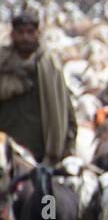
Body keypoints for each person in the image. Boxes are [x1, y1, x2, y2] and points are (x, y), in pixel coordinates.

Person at [0, 9, 76, 164]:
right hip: (4, 148)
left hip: (40, 149)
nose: (25, 37)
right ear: (12, 34)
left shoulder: (49, 66)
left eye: (30, 32)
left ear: (37, 34)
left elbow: (64, 105)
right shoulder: (3, 63)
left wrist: (68, 141)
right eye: (20, 32)